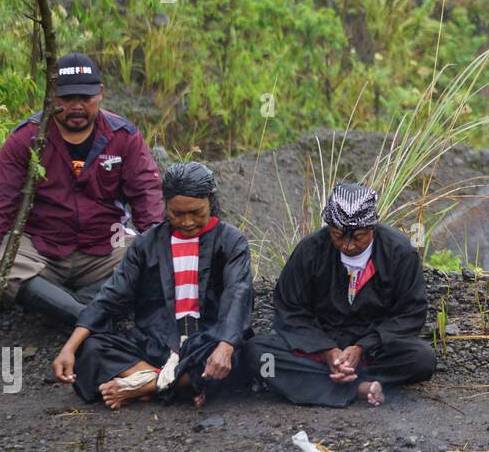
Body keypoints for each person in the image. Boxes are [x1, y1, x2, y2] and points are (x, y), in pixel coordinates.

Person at [0, 52, 163, 325]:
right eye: (67, 98)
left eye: (85, 98)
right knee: (3, 266)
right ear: (52, 96)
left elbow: (147, 193)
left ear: (100, 93)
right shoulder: (26, 138)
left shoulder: (123, 136)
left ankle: (66, 309)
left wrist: (157, 242)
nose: (76, 106)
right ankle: (87, 316)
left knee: (151, 260)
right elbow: (0, 197)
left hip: (106, 244)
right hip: (41, 247)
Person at [51, 162, 253, 409]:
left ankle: (143, 385)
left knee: (239, 354)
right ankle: (171, 383)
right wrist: (69, 347)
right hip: (157, 342)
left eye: (196, 212)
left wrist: (225, 345)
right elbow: (112, 295)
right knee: (90, 347)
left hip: (206, 340)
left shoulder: (231, 241)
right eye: (177, 214)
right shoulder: (147, 244)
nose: (187, 221)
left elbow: (238, 294)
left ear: (210, 201)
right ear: (165, 205)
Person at [242, 182, 435, 407]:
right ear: (330, 227)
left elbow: (411, 313)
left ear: (372, 227)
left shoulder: (400, 252)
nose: (348, 245)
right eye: (338, 235)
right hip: (320, 344)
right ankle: (360, 388)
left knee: (422, 358)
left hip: (372, 348)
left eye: (358, 237)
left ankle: (320, 382)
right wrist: (327, 351)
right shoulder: (309, 250)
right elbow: (289, 310)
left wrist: (362, 347)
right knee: (258, 353)